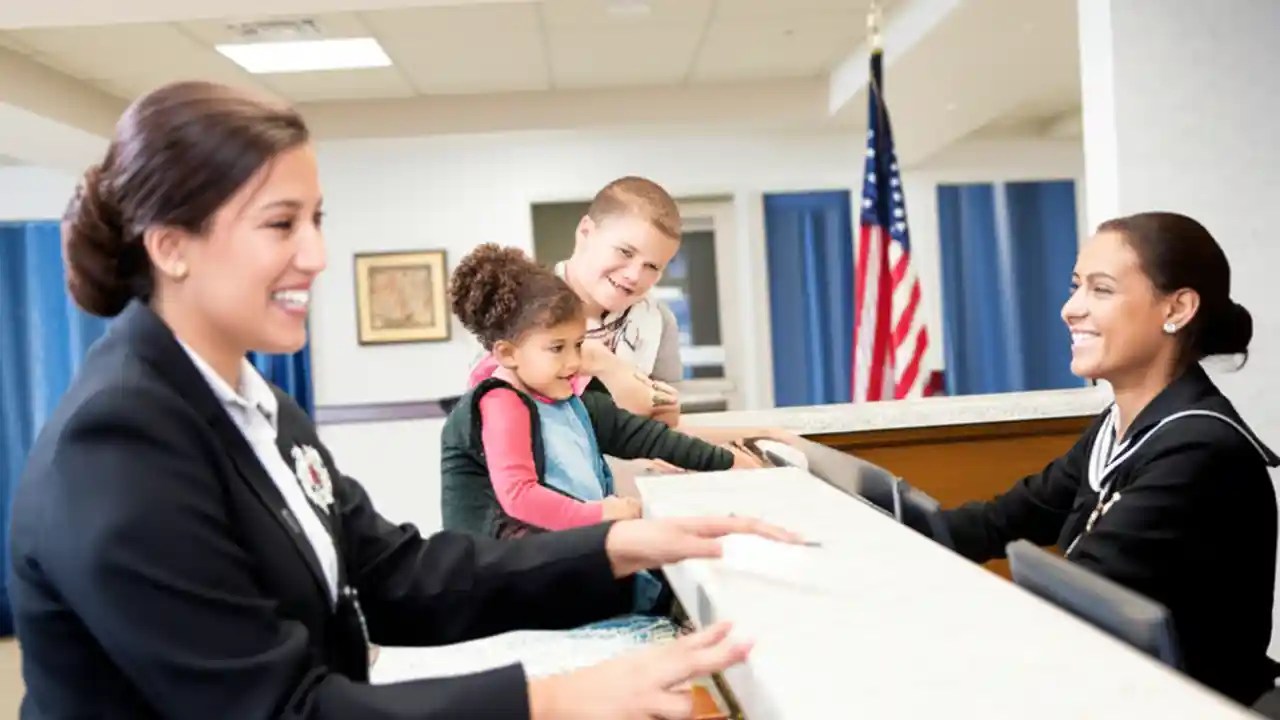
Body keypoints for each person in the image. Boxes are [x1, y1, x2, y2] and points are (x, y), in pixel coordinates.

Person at [7, 80, 800, 720]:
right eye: (281, 224)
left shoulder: (264, 412)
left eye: (316, 221)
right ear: (171, 246)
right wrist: (553, 700)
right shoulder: (117, 442)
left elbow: (396, 576)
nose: (315, 255)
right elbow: (276, 706)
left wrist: (620, 546)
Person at [942, 212, 1278, 705]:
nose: (1069, 309)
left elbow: (1073, 592)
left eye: (1100, 290)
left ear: (1178, 307)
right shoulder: (1116, 428)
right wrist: (874, 522)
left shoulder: (1199, 450)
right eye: (1076, 286)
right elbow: (1001, 520)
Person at [556, 176, 796, 449]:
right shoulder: (526, 308)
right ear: (586, 232)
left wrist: (763, 434)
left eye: (652, 267)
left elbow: (660, 432)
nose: (635, 275)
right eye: (625, 252)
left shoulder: (658, 322)